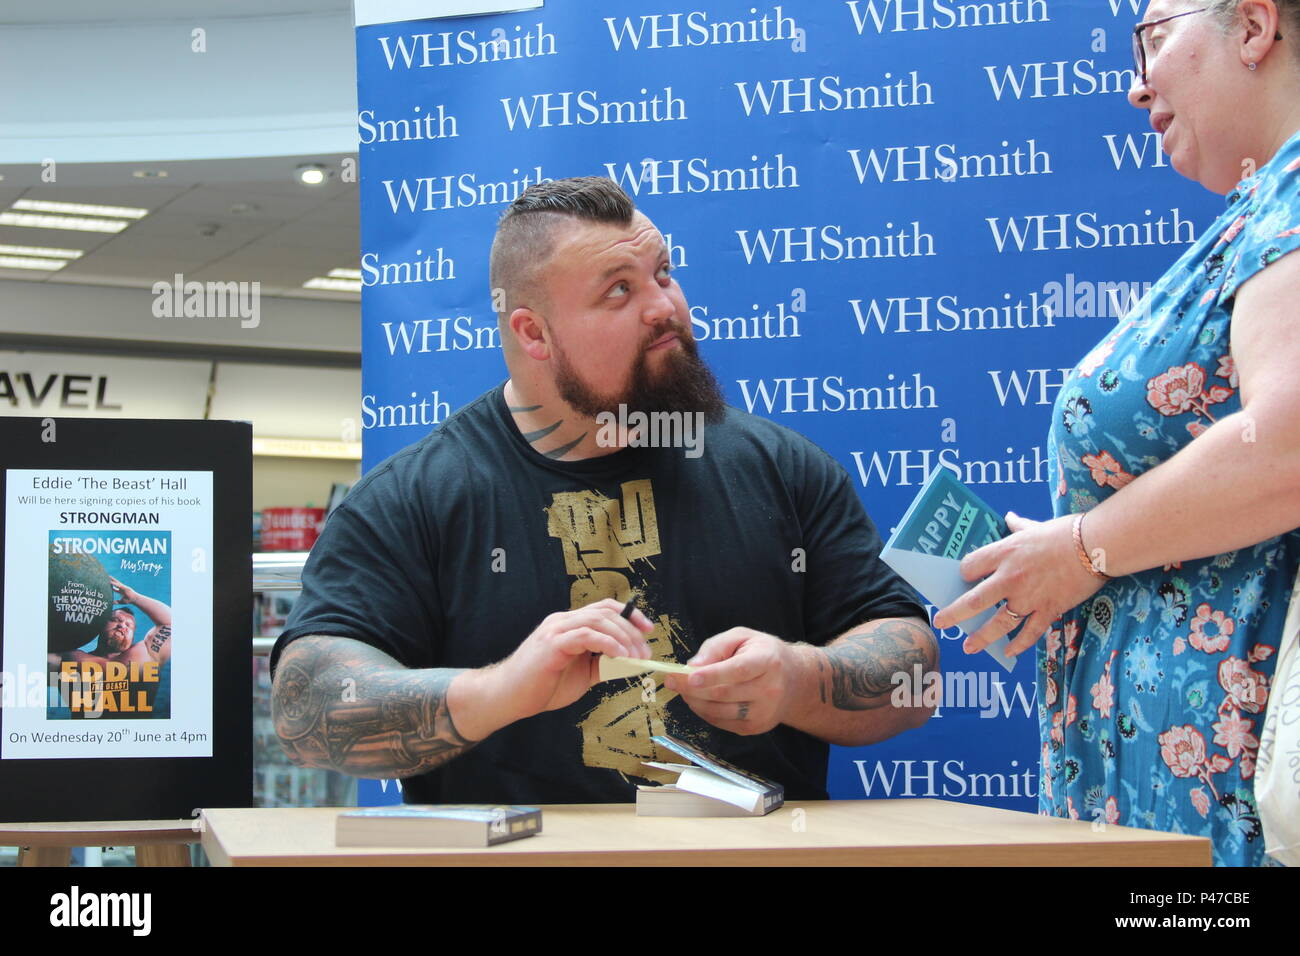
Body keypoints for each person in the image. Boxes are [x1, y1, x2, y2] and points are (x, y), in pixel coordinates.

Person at [270, 176, 938, 805]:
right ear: (532, 332)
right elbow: (307, 708)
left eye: (664, 274)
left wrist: (799, 681)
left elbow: (915, 675)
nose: (663, 307)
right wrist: (502, 690)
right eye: (618, 291)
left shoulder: (782, 469)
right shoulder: (414, 498)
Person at [935, 0, 1300, 865]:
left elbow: (1287, 444)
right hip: (1172, 792)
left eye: (1153, 36)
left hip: (1228, 802)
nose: (1136, 88)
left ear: (1252, 27)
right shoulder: (1261, 208)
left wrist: (1082, 550)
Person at [48, 577, 173, 719]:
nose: (122, 626)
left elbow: (171, 623)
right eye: (115, 620)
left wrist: (135, 598)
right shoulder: (68, 658)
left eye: (129, 625)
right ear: (99, 625)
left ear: (133, 635)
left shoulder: (147, 653)